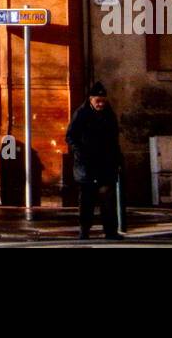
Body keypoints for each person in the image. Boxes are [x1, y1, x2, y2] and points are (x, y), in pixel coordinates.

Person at [65, 81, 123, 240]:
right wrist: (80, 151)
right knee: (87, 201)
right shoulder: (81, 114)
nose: (100, 103)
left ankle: (110, 231)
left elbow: (114, 140)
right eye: (97, 100)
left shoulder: (109, 114)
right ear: (90, 99)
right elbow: (70, 136)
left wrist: (118, 161)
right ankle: (84, 231)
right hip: (86, 165)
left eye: (103, 100)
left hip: (106, 164)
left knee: (108, 200)